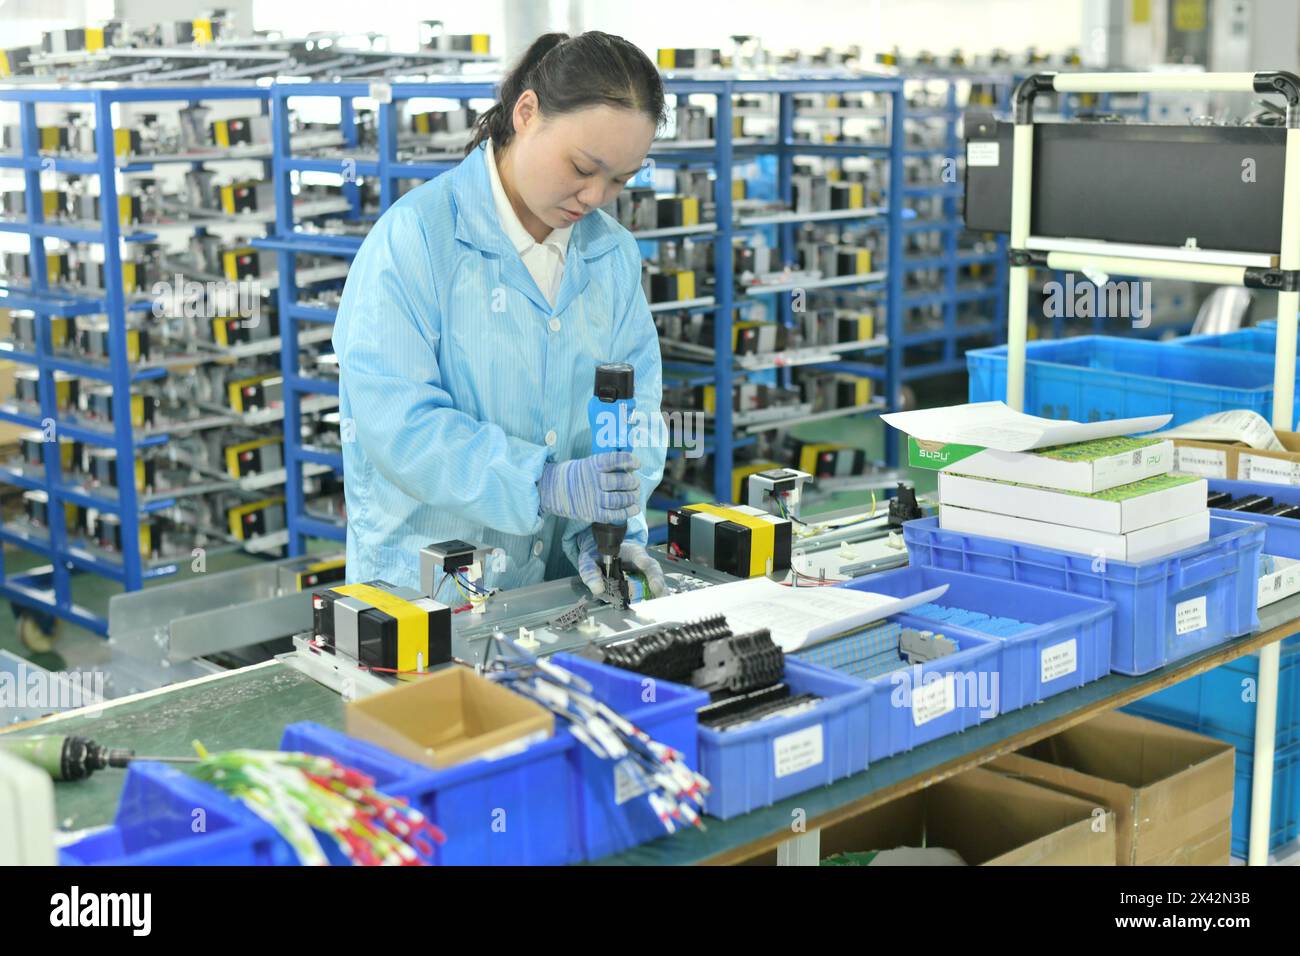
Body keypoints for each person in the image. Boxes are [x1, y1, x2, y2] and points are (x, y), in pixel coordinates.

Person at [332, 31, 669, 607]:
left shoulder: (610, 255)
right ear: (527, 112)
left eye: (620, 179)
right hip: (428, 594)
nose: (594, 196)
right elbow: (399, 425)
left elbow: (633, 414)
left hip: (561, 591)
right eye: (582, 166)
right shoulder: (416, 238)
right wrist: (540, 483)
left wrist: (610, 523)